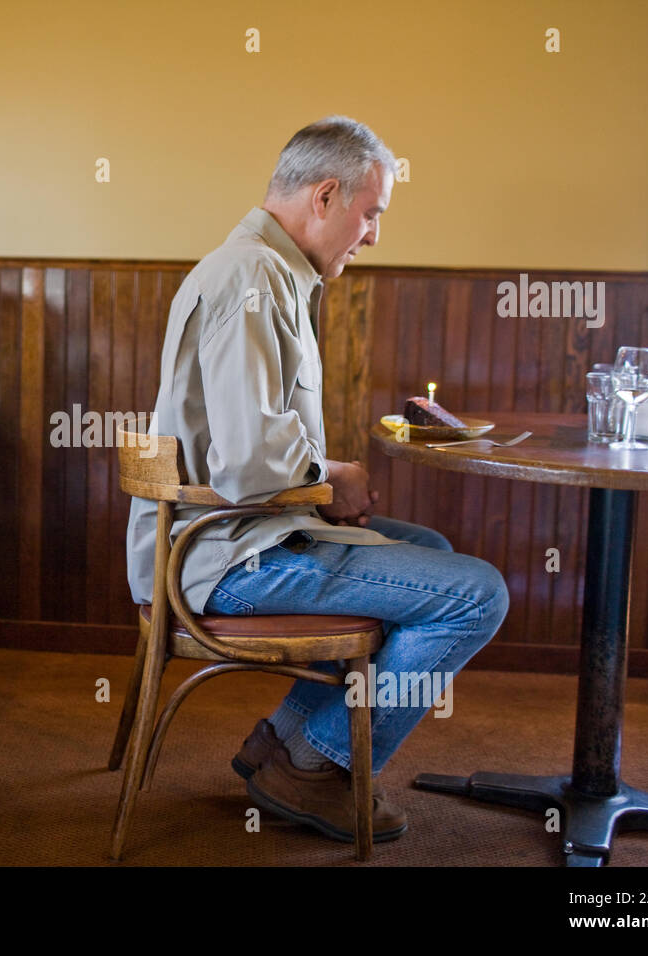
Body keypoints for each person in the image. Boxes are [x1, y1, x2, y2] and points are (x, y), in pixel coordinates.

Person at [125, 117, 509, 844]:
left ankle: (283, 741)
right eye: (372, 214)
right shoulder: (252, 278)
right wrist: (334, 476)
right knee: (477, 593)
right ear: (327, 196)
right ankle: (316, 763)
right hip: (222, 559)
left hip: (222, 537)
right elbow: (246, 463)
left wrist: (327, 484)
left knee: (428, 544)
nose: (373, 236)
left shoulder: (265, 270)